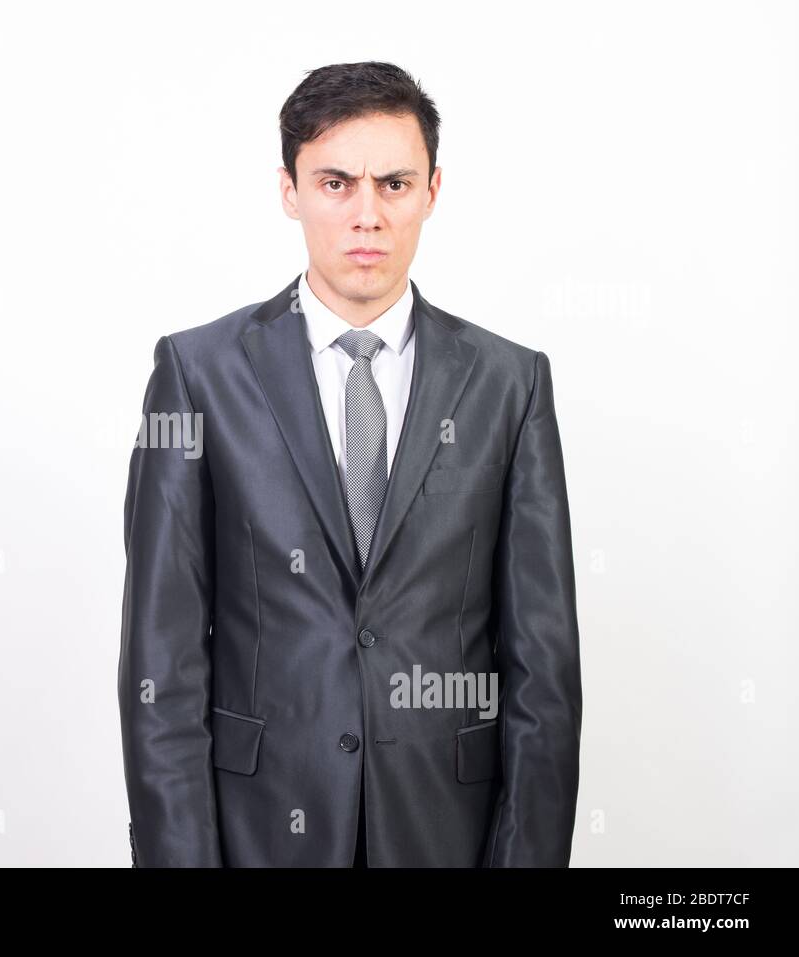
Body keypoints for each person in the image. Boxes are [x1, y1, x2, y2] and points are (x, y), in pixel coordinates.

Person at [117, 61, 581, 867]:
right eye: (336, 183)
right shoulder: (198, 373)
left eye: (394, 184)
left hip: (446, 832)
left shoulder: (511, 384)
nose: (367, 214)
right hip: (259, 829)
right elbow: (162, 665)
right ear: (289, 190)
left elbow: (546, 675)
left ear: (433, 191)